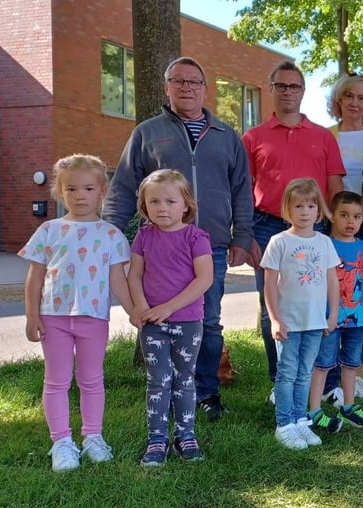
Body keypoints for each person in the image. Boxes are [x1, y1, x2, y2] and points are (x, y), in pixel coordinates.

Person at [104, 56, 253, 422]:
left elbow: (242, 189)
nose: (186, 87)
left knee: (208, 320)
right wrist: (108, 231)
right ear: (166, 87)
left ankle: (206, 391)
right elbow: (124, 185)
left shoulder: (226, 135)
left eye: (193, 82)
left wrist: (243, 236)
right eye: (178, 81)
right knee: (158, 317)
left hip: (211, 245)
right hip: (159, 246)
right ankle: (165, 386)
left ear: (205, 89)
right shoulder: (147, 132)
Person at [19, 154, 134, 472]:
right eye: (71, 189)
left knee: (91, 380)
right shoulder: (49, 231)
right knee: (56, 381)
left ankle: (93, 437)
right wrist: (31, 315)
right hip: (53, 318)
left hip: (94, 318)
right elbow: (35, 277)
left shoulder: (111, 235)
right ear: (59, 191)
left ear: (102, 191)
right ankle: (61, 442)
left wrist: (135, 312)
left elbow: (118, 281)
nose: (79, 196)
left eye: (87, 188)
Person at [243, 60, 346, 404]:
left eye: (295, 86)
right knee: (271, 304)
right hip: (268, 226)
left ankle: (325, 381)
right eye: (281, 86)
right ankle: (280, 380)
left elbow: (333, 184)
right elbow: (243, 188)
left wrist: (330, 226)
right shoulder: (253, 137)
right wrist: (245, 234)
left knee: (320, 303)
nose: (288, 92)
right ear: (270, 90)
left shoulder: (323, 136)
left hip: (316, 228)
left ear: (304, 91)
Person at [127, 170, 214, 467]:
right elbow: (134, 275)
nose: (162, 208)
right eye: (154, 201)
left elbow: (204, 279)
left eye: (170, 201)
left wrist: (169, 307)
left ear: (186, 205)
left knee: (184, 380)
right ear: (144, 205)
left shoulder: (196, 237)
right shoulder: (143, 236)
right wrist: (139, 307)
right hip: (153, 324)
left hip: (188, 322)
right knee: (158, 381)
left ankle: (186, 435)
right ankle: (157, 440)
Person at [261, 179, 340, 450]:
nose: (305, 211)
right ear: (287, 209)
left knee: (305, 372)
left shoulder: (325, 243)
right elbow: (269, 283)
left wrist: (333, 315)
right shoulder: (278, 242)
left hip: (316, 322)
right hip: (288, 322)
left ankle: (300, 420)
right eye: (298, 206)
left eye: (311, 205)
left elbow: (332, 281)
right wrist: (274, 318)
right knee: (287, 372)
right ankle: (284, 424)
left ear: (319, 210)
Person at [323, 72, 363, 404]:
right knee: (331, 297)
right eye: (349, 96)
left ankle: (356, 373)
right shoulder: (324, 136)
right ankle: (329, 371)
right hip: (329, 223)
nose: (355, 103)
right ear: (338, 100)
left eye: (362, 98)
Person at [308, 191, 363, 429]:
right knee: (323, 363)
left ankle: (349, 406)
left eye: (357, 216)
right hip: (330, 319)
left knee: (351, 363)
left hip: (358, 319)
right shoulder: (322, 244)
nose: (351, 222)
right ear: (332, 216)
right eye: (344, 215)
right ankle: (314, 410)